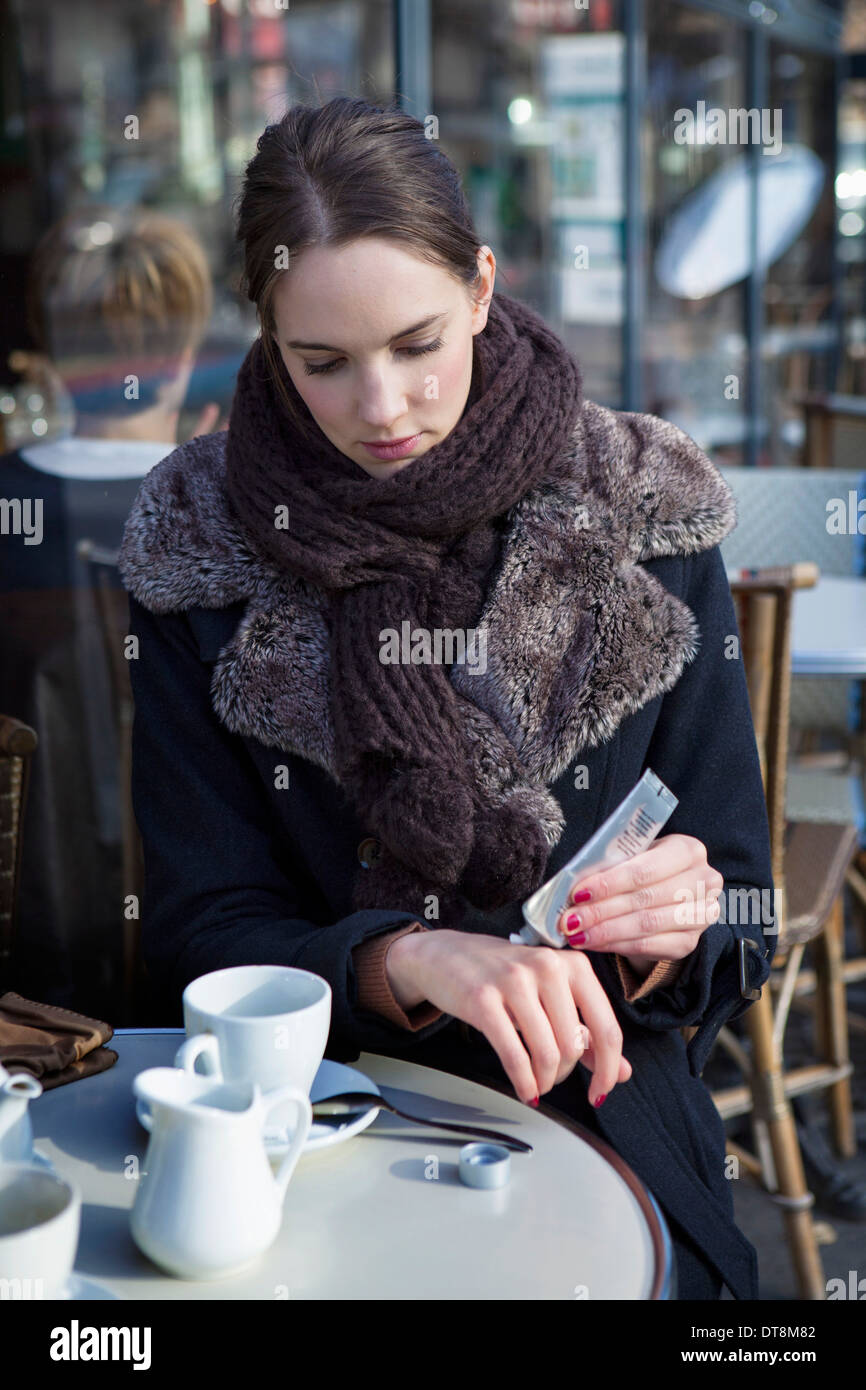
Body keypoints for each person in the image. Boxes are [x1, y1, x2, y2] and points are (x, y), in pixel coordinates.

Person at [118, 96, 776, 1300]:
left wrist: (676, 921)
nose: (381, 408)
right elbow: (193, 940)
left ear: (481, 287)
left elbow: (743, 905)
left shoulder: (643, 506)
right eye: (321, 362)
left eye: (417, 344)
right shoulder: (198, 545)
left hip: (604, 1122)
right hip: (300, 1151)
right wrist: (397, 962)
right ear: (265, 334)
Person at [0, 206, 215, 1014]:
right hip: (217, 977)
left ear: (50, 360)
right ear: (187, 356)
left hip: (23, 997)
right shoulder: (235, 514)